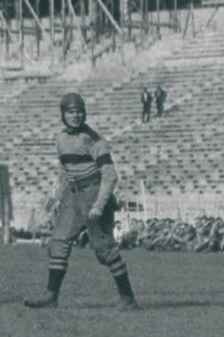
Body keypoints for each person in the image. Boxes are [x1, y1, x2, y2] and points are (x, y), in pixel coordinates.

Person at [25, 93, 139, 311]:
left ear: (84, 113)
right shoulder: (61, 139)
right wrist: (55, 197)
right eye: (70, 112)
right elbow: (65, 172)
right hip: (73, 194)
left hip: (94, 192)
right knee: (58, 243)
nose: (75, 116)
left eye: (79, 111)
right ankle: (51, 297)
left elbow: (110, 175)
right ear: (63, 115)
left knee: (104, 250)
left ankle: (128, 298)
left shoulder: (93, 139)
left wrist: (99, 205)